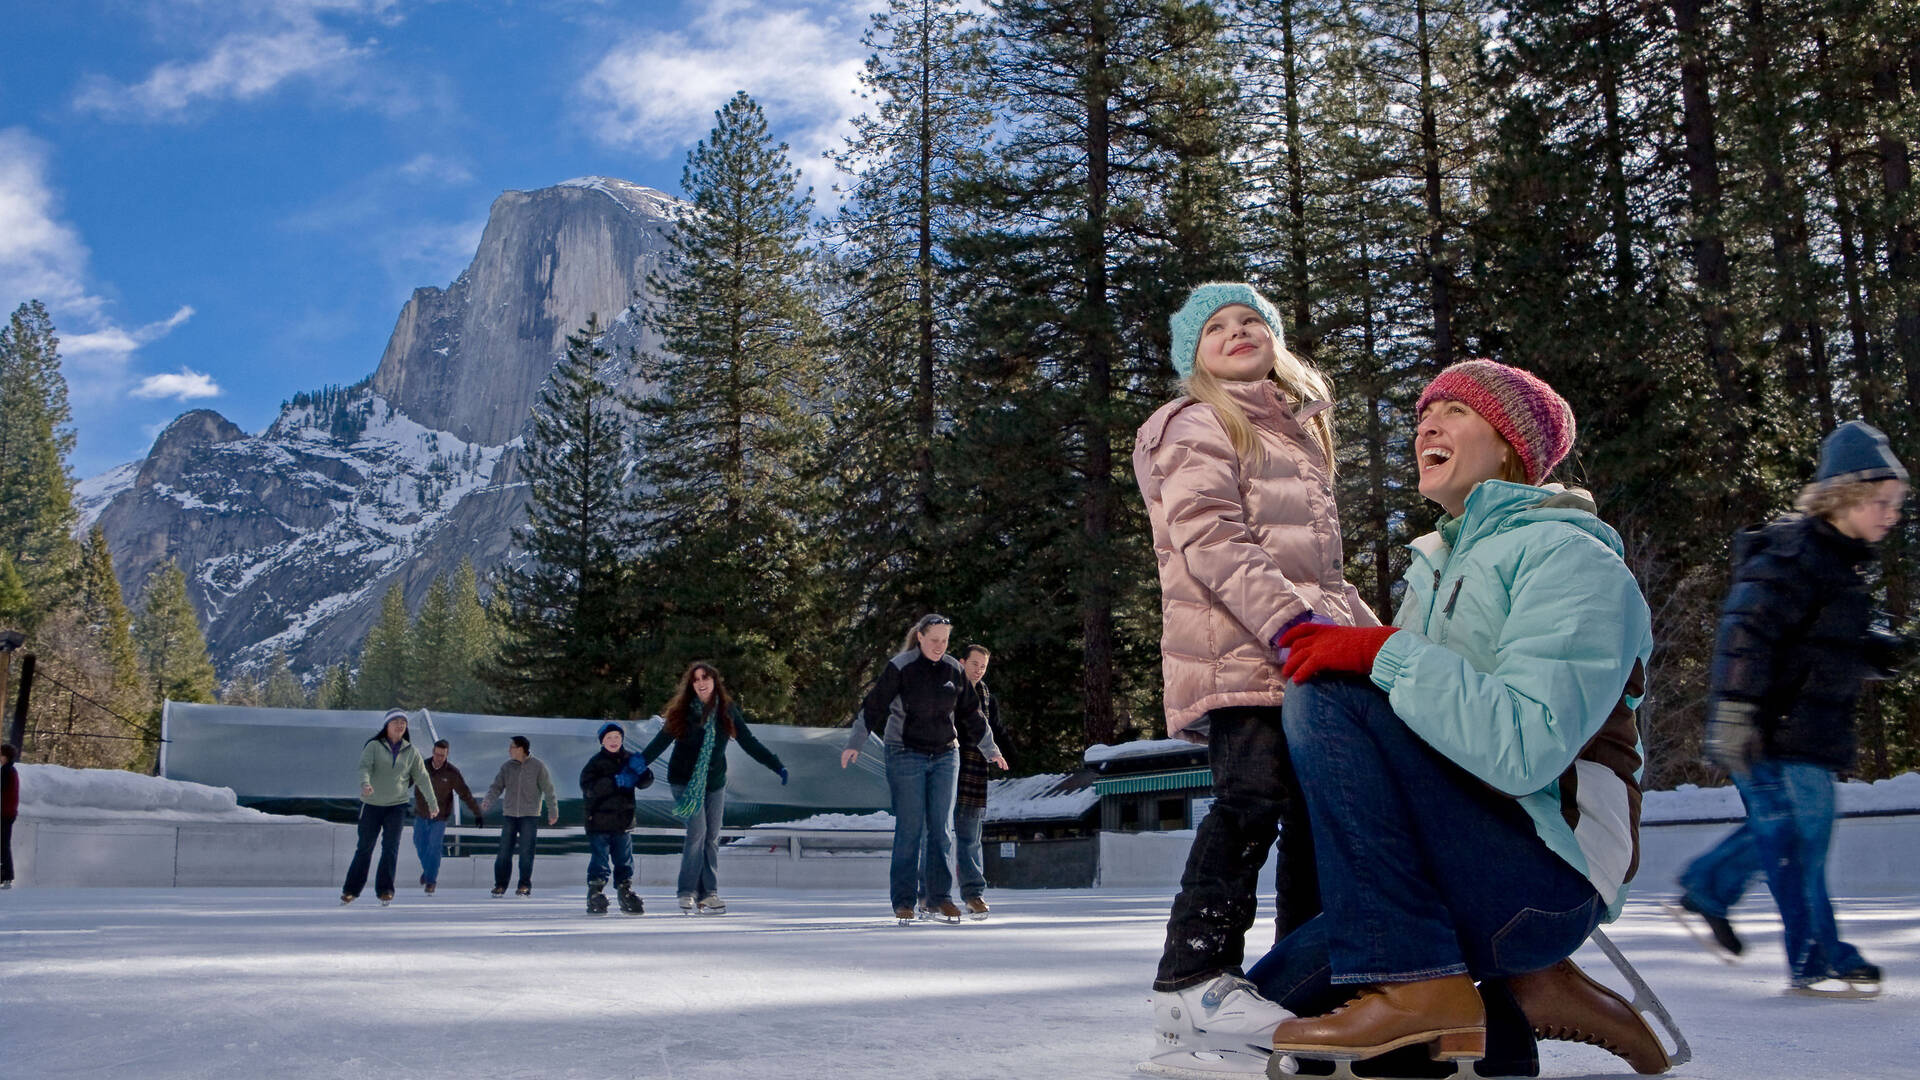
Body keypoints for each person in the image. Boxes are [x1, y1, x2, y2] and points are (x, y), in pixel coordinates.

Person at [1244, 360, 1669, 1078]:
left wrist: (1382, 652)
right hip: (1456, 867)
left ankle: (1433, 982)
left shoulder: (1573, 559)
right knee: (1264, 1017)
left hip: (1545, 877)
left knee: (1332, 696)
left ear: (1509, 445)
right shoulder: (1436, 570)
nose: (1427, 425)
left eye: (1456, 412)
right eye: (1423, 415)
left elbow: (1525, 749)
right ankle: (1510, 1007)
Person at [1133, 282, 1377, 1060]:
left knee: (1319, 821)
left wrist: (1383, 646)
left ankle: (1312, 985)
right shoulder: (1195, 421)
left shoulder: (1296, 437)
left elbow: (1326, 577)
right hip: (1241, 649)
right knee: (1250, 799)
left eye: (1252, 321)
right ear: (1193, 358)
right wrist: (1291, 625)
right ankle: (1192, 978)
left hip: (1305, 655)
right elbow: (1210, 538)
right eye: (1215, 329)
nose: (1237, 332)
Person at [1673, 420, 1909, 993]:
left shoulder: (1843, 564)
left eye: (1898, 504)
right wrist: (1732, 709)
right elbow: (1745, 632)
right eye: (1882, 501)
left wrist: (1881, 652)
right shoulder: (1793, 554)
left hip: (1806, 730)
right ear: (1845, 495)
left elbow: (1824, 646)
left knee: (1799, 838)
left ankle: (1807, 951)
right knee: (1792, 832)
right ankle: (1774, 926)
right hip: (1766, 727)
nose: (1892, 515)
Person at [842, 614, 1005, 924]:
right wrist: (855, 743)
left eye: (944, 641)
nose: (939, 646)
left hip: (946, 754)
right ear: (920, 637)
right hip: (905, 753)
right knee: (911, 829)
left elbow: (972, 713)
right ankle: (904, 901)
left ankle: (940, 898)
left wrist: (990, 749)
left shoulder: (954, 669)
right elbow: (873, 705)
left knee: (942, 830)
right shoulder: (902, 667)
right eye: (934, 640)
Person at [637, 662, 788, 915]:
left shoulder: (727, 711)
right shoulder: (681, 711)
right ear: (691, 685)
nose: (701, 683)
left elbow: (749, 742)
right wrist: (634, 766)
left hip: (714, 782)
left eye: (705, 677)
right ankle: (686, 892)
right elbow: (659, 743)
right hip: (684, 781)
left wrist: (776, 765)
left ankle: (708, 895)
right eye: (696, 679)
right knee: (697, 832)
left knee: (711, 837)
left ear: (715, 681)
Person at [342, 709, 437, 905]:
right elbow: (364, 767)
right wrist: (365, 784)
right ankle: (351, 890)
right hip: (372, 805)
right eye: (396, 722)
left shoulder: (411, 751)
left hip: (397, 806)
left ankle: (385, 889)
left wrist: (432, 802)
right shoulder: (374, 746)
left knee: (390, 848)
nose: (400, 725)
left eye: (403, 722)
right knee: (365, 847)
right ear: (387, 725)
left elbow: (422, 778)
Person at [950, 643, 1013, 920]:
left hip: (974, 776)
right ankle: (930, 895)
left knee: (970, 838)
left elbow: (995, 729)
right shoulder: (947, 690)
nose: (978, 670)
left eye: (983, 666)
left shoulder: (987, 696)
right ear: (961, 662)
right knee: (935, 837)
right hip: (943, 768)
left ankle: (973, 894)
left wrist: (1008, 754)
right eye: (974, 664)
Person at [579, 722, 653, 915]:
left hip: (623, 822)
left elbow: (645, 783)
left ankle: (624, 890)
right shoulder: (594, 763)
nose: (614, 741)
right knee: (600, 860)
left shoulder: (629, 759)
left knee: (624, 860)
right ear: (602, 741)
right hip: (599, 822)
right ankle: (595, 892)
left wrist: (643, 771)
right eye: (609, 737)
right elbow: (589, 789)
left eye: (617, 737)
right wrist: (614, 781)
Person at [481, 735, 558, 897]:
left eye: (512, 747)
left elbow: (549, 790)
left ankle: (524, 885)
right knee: (504, 852)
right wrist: (488, 800)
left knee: (526, 852)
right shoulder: (507, 767)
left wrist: (553, 811)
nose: (509, 750)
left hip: (529, 816)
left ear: (521, 749)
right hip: (510, 815)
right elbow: (496, 786)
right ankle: (500, 885)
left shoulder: (538, 766)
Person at [412, 738, 483, 895]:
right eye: (437, 754)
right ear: (433, 752)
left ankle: (431, 881)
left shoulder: (452, 773)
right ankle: (429, 869)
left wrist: (477, 812)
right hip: (422, 813)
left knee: (434, 847)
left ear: (447, 755)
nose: (439, 758)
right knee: (419, 843)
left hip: (440, 816)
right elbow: (406, 782)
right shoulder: (421, 766)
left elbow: (464, 793)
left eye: (442, 755)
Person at [1, 743, 18, 890]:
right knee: (3, 844)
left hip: (4, 813)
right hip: (9, 812)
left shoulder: (6, 771)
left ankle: (6, 876)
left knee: (3, 845)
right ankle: (5, 876)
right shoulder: (11, 770)